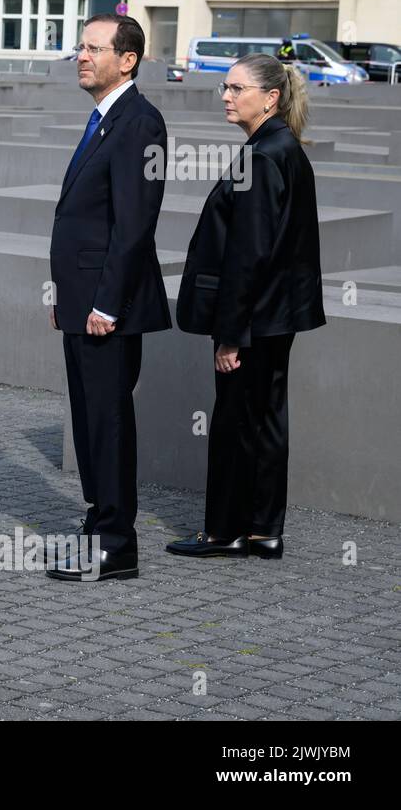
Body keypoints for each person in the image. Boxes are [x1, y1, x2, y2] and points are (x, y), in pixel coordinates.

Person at [169, 53, 324, 560]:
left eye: (237, 88)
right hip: (279, 316)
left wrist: (231, 334)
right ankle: (263, 530)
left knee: (237, 422)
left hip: (253, 321)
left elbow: (248, 253)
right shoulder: (285, 149)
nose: (227, 96)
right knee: (266, 420)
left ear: (270, 98)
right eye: (226, 88)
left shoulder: (261, 156)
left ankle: (226, 531)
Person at [47, 13, 171, 582]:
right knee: (91, 420)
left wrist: (106, 304)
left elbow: (133, 224)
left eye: (94, 48)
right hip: (85, 303)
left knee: (109, 422)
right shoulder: (104, 118)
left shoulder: (139, 122)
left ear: (128, 60)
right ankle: (98, 526)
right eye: (80, 47)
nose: (81, 56)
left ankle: (116, 545)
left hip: (108, 310)